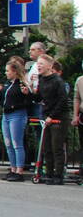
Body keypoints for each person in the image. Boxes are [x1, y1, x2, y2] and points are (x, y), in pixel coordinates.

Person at [0, 57, 31, 181]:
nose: (6, 73)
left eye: (8, 71)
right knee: (8, 144)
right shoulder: (8, 85)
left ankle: (19, 170)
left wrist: (16, 104)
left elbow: (28, 102)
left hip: (17, 115)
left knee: (17, 143)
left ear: (14, 72)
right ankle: (12, 168)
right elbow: (1, 100)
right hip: (6, 115)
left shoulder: (21, 84)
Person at [34, 55, 68, 184]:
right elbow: (39, 97)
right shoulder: (42, 79)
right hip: (46, 115)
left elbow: (62, 101)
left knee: (56, 147)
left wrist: (52, 116)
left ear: (49, 66)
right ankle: (48, 173)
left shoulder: (57, 81)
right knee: (46, 147)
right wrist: (29, 93)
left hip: (58, 117)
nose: (39, 66)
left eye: (41, 63)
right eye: (38, 64)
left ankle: (58, 175)